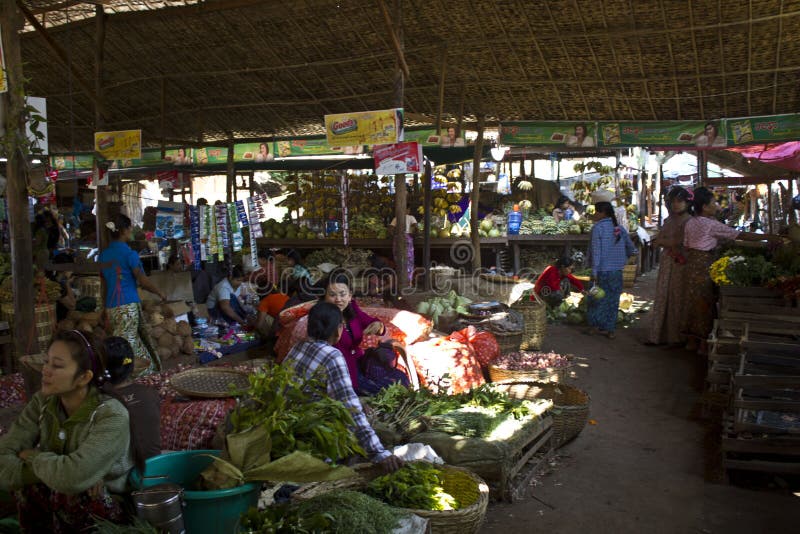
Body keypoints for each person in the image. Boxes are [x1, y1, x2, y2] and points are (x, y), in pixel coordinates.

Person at [0, 330, 143, 531]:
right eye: (46, 362)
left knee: (79, 491)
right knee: (31, 486)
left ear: (84, 377)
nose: (46, 370)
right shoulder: (42, 402)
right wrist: (55, 469)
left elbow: (73, 477)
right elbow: (3, 461)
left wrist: (33, 457)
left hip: (112, 507)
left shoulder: (111, 415)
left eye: (57, 365)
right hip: (58, 487)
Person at [283, 302, 402, 472]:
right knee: (363, 424)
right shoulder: (332, 355)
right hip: (312, 434)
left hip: (288, 427)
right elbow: (350, 409)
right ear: (338, 330)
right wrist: (379, 453)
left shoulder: (298, 347)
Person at [682, 187, 782, 355]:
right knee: (705, 303)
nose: (716, 205)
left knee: (692, 301)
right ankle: (703, 345)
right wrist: (769, 237)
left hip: (691, 264)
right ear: (705, 207)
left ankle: (691, 341)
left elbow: (686, 245)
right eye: (713, 203)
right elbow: (739, 235)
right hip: (705, 264)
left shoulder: (690, 222)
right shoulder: (711, 224)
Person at [100, 213, 165, 372]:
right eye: (129, 229)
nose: (131, 232)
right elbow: (142, 280)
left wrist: (103, 308)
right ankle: (124, 376)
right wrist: (159, 292)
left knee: (134, 342)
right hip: (128, 307)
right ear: (124, 231)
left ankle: (148, 372)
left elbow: (104, 285)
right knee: (125, 348)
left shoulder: (103, 256)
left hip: (111, 307)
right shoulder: (130, 254)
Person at [321, 272, 385, 393]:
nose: (338, 299)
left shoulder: (352, 309)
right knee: (383, 389)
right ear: (325, 296)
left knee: (398, 378)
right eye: (332, 295)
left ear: (350, 296)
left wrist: (379, 325)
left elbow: (370, 321)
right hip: (339, 374)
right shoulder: (321, 317)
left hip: (358, 364)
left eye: (342, 294)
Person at [646, 187, 692, 346]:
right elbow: (662, 239)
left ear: (687, 202)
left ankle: (676, 337)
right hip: (667, 262)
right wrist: (662, 241)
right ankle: (657, 335)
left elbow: (675, 241)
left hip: (681, 263)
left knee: (677, 297)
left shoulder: (689, 221)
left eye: (679, 201)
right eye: (672, 201)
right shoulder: (669, 220)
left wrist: (662, 242)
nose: (675, 205)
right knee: (662, 295)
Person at [103, 336, 161, 460]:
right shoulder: (149, 393)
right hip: (154, 466)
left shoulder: (101, 401)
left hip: (125, 473)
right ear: (132, 367)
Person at [585, 202, 636, 339]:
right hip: (616, 272)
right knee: (612, 300)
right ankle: (610, 330)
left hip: (601, 271)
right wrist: (624, 257)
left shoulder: (598, 228)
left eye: (596, 212)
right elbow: (631, 248)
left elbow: (596, 252)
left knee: (596, 299)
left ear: (602, 213)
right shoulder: (618, 228)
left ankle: (594, 327)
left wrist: (594, 272)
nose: (594, 214)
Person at [389, 206, 418, 285]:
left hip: (397, 238)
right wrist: (413, 234)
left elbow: (390, 229)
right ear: (408, 210)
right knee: (409, 260)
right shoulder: (411, 217)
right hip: (407, 238)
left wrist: (395, 235)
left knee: (398, 259)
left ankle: (400, 280)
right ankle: (409, 281)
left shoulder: (396, 218)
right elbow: (416, 227)